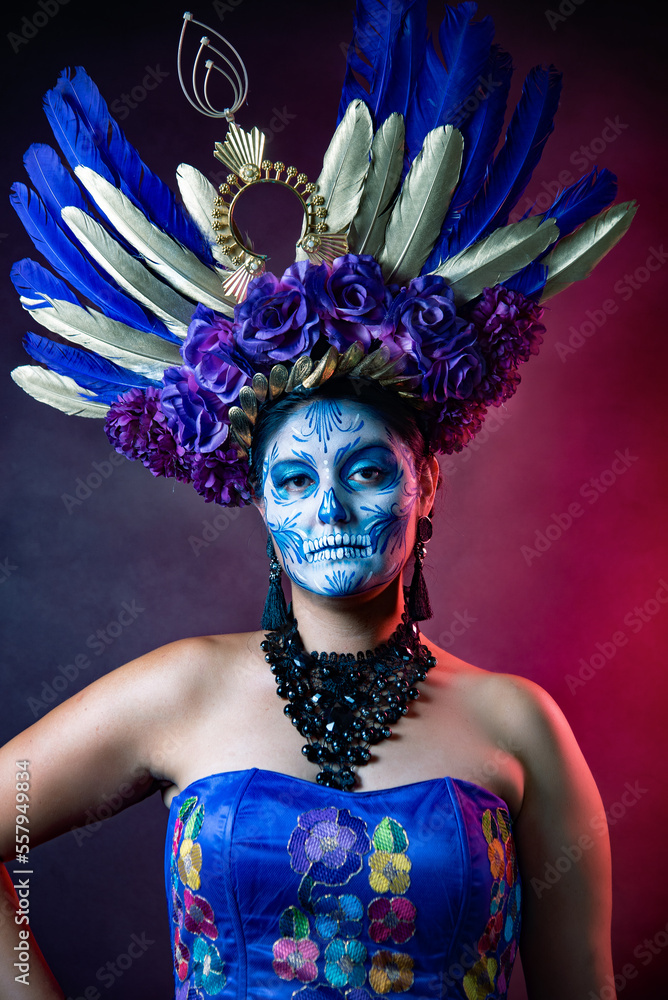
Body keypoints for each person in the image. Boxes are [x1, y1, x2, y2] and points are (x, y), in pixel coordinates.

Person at [1, 2, 635, 997]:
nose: (328, 506)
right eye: (293, 478)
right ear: (255, 498)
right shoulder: (180, 691)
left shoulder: (519, 727)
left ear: (425, 481)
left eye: (367, 470)